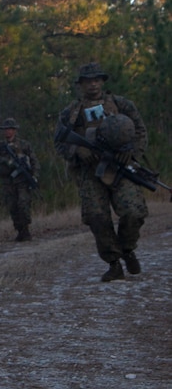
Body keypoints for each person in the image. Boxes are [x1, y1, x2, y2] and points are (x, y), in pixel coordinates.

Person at [53, 62, 147, 282]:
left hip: (120, 168)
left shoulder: (121, 104)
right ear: (81, 84)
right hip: (89, 172)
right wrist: (78, 150)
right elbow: (59, 141)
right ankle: (114, 263)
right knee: (97, 217)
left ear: (102, 81)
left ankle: (127, 248)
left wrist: (131, 152)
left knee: (134, 212)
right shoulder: (70, 113)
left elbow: (140, 130)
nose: (93, 84)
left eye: (96, 79)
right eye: (88, 80)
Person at [0, 117, 38, 242]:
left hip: (22, 181)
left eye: (10, 129)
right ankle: (20, 231)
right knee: (12, 207)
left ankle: (26, 230)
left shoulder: (24, 144)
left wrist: (35, 175)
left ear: (15, 130)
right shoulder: (0, 145)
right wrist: (6, 161)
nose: (8, 132)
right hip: (8, 182)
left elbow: (34, 161)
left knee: (23, 204)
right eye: (6, 129)